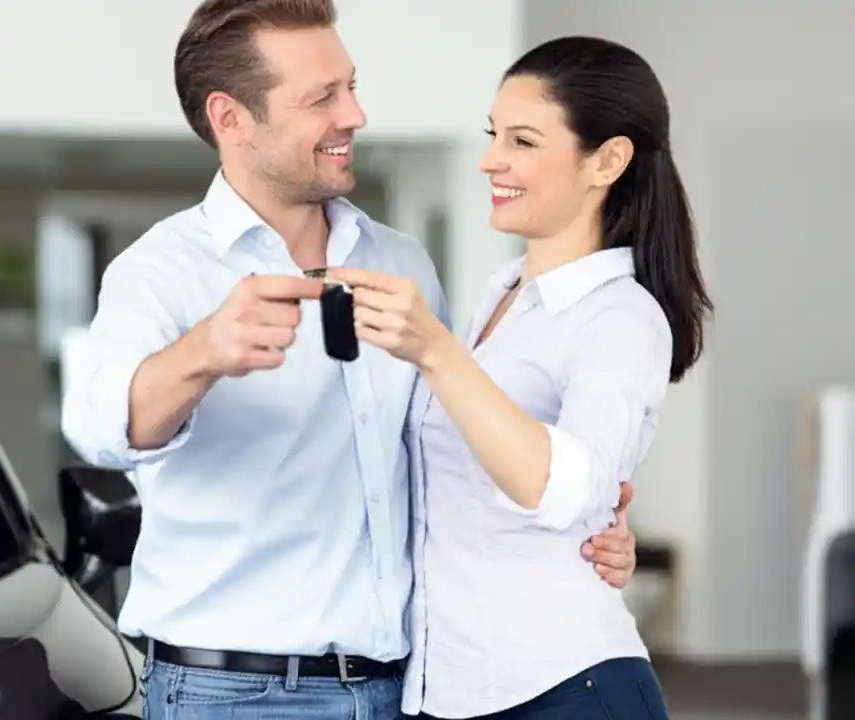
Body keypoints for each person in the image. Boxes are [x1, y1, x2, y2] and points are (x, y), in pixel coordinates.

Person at [61, 2, 640, 716]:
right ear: (230, 117)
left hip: (403, 689)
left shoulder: (402, 263)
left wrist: (583, 525)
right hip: (236, 696)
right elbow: (100, 427)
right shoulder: (161, 271)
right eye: (322, 98)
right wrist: (202, 353)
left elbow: (447, 454)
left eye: (352, 86)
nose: (355, 115)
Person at [327, 35, 713, 719]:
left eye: (523, 141)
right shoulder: (503, 297)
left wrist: (437, 353)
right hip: (453, 691)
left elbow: (564, 489)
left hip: (562, 688)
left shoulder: (621, 316)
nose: (491, 160)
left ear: (608, 161)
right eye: (493, 135)